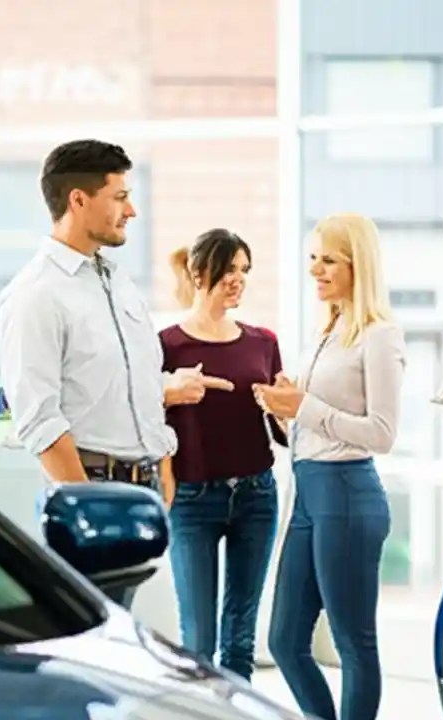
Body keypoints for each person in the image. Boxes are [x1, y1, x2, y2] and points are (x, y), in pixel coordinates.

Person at [0, 139, 230, 513]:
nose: (131, 210)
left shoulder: (117, 282)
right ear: (78, 200)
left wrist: (163, 469)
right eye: (119, 197)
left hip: (147, 487)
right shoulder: (34, 295)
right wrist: (87, 504)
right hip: (92, 492)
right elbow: (40, 421)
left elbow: (141, 384)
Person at [255, 212, 405, 720]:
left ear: (357, 265)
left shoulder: (379, 335)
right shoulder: (328, 329)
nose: (315, 270)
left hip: (347, 491)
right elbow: (311, 419)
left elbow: (382, 434)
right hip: (310, 493)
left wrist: (305, 408)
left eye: (328, 260)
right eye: (312, 258)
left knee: (353, 642)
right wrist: (282, 406)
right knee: (283, 641)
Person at [159, 229, 285, 681]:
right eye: (228, 269)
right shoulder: (167, 345)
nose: (238, 279)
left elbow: (280, 425)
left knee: (240, 637)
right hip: (192, 501)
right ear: (197, 272)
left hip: (257, 495)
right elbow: (146, 419)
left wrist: (288, 409)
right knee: (198, 639)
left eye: (244, 270)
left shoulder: (262, 343)